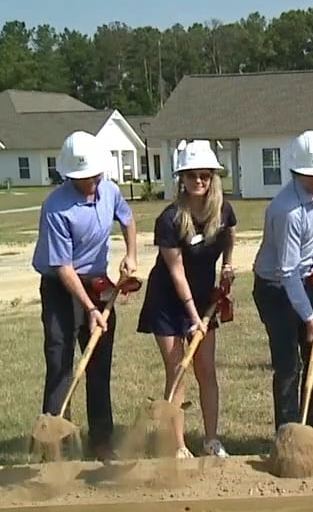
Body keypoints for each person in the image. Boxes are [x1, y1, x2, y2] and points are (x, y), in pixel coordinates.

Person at [31, 131, 139, 461]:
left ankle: (102, 439)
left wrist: (131, 254)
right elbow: (62, 267)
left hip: (97, 281)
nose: (90, 182)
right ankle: (53, 440)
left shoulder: (110, 190)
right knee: (60, 363)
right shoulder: (56, 207)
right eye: (82, 177)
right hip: (61, 287)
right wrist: (90, 308)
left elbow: (128, 218)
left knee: (98, 363)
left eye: (93, 175)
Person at [136, 140, 237, 458]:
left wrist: (228, 266)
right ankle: (178, 446)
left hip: (204, 297)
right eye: (192, 175)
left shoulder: (223, 211)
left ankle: (211, 440)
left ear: (213, 178)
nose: (199, 181)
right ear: (182, 178)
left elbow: (229, 235)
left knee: (205, 369)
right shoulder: (169, 219)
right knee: (177, 367)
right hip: (168, 301)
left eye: (205, 175)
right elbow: (176, 272)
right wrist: (193, 317)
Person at [251, 130, 313, 437]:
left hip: (308, 279)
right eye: (312, 177)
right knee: (289, 365)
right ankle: (288, 435)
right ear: (297, 173)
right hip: (276, 288)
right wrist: (309, 318)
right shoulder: (285, 212)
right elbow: (287, 272)